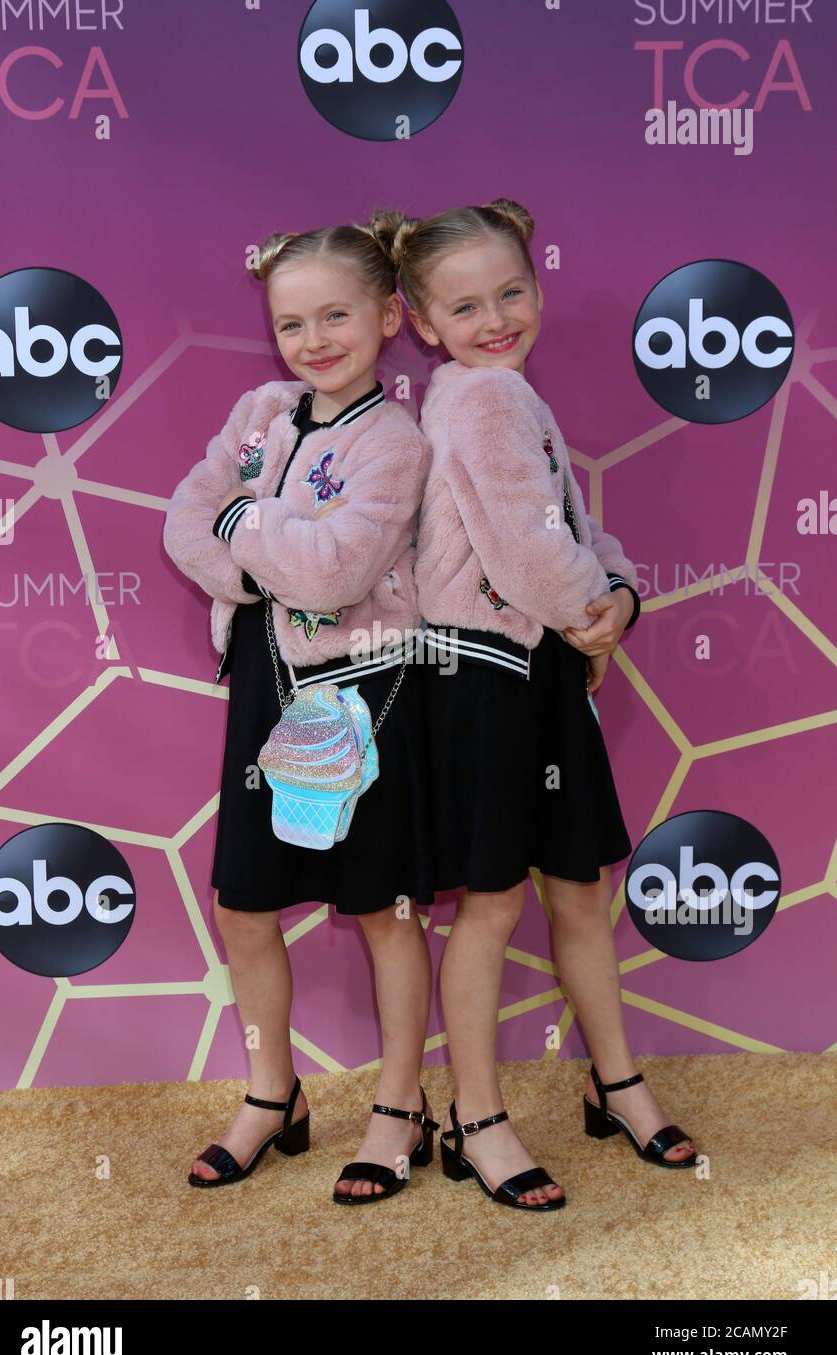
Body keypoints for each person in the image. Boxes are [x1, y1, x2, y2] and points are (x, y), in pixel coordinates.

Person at [368, 198, 696, 1211]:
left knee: (577, 890)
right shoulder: (477, 401)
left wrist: (619, 596)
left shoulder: (510, 393)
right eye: (463, 305)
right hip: (482, 676)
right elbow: (520, 551)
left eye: (511, 291)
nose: (494, 316)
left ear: (537, 286)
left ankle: (615, 1081)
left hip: (537, 663)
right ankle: (477, 1116)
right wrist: (588, 610)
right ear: (422, 323)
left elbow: (570, 525)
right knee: (493, 902)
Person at [163, 221, 440, 1205]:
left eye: (335, 314)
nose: (314, 338)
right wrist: (264, 561)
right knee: (244, 903)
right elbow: (184, 518)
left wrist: (248, 522)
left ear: (387, 317)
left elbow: (336, 572)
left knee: (380, 904)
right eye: (292, 321)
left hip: (365, 691)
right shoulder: (260, 412)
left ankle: (398, 1105)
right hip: (263, 685)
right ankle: (271, 1092)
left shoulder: (397, 441)